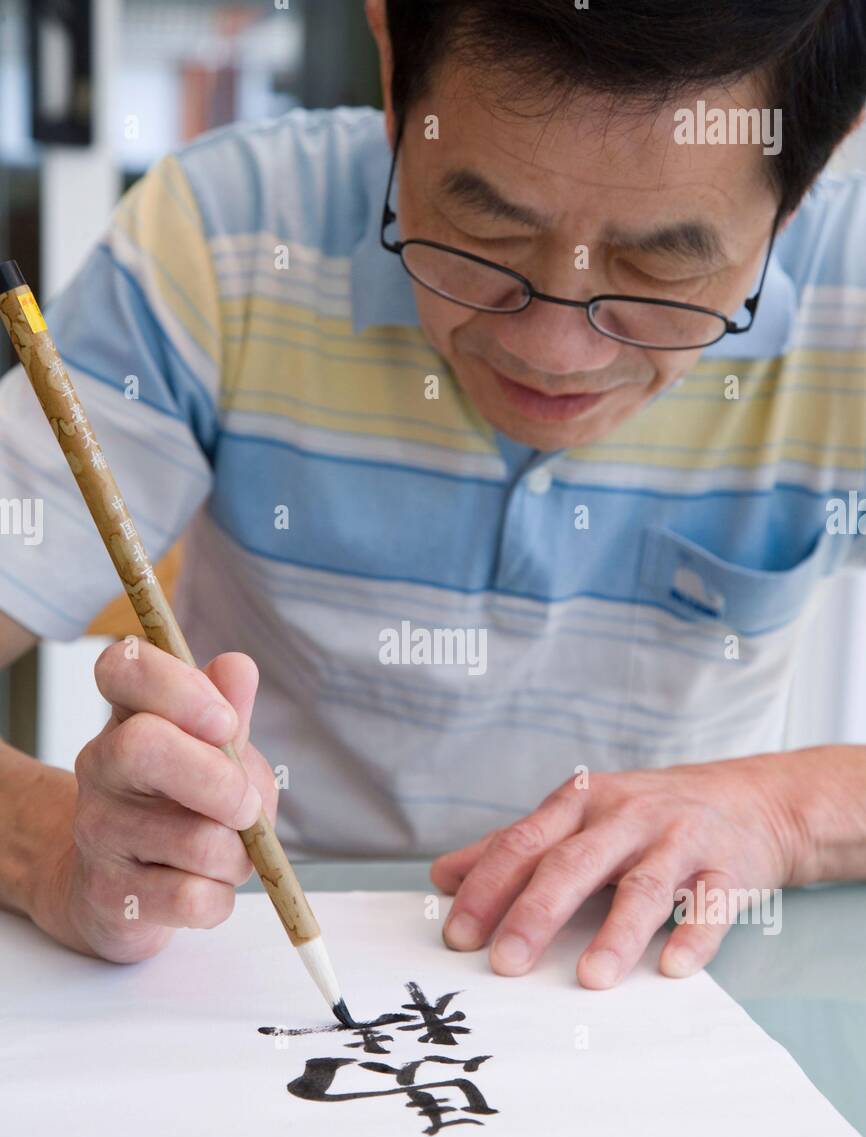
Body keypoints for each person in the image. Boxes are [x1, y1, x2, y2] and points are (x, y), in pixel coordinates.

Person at [0, 0, 864, 985]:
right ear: (386, 61)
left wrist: (785, 812)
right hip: (256, 983)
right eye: (485, 233)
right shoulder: (227, 236)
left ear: (817, 163)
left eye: (658, 262)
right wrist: (43, 843)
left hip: (676, 996)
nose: (553, 350)